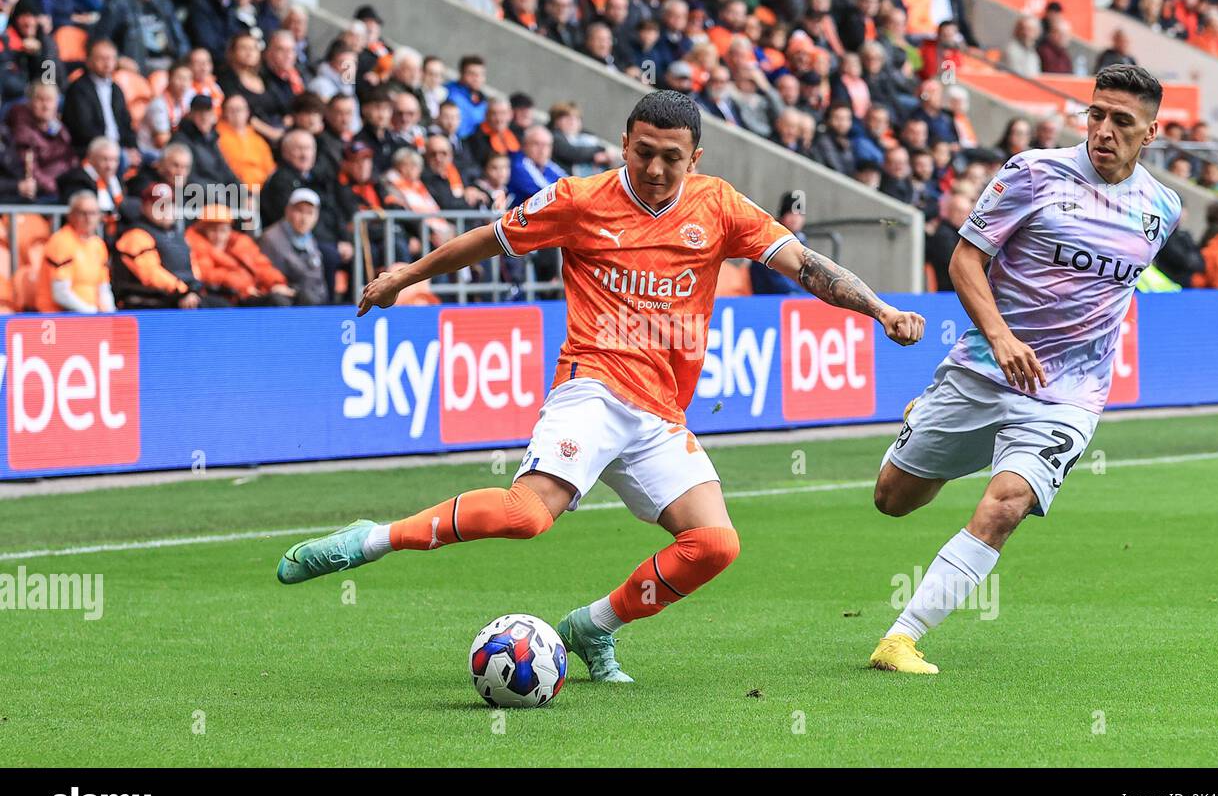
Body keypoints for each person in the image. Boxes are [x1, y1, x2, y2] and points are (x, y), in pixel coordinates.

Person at [276, 91, 927, 685]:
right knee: (526, 516)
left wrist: (881, 310)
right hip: (592, 386)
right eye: (643, 152)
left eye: (672, 158)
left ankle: (591, 627)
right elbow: (489, 239)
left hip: (660, 411)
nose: (655, 169)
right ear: (623, 143)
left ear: (694, 158)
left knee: (715, 545)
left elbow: (807, 266)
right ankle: (371, 537)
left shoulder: (719, 205)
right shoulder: (579, 200)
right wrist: (402, 275)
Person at [868, 65, 1183, 674]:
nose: (1104, 130)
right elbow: (965, 260)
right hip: (984, 367)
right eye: (1097, 114)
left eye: (1123, 121)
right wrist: (1002, 337)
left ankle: (900, 639)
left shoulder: (1160, 209)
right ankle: (942, 432)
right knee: (894, 499)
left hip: (1070, 392)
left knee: (1006, 505)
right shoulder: (1033, 172)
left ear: (1150, 132)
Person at [35, 191, 114, 313]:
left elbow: (104, 287)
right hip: (60, 316)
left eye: (93, 213)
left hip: (91, 315)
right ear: (71, 215)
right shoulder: (61, 241)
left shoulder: (98, 245)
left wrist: (110, 314)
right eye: (83, 213)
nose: (88, 219)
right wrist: (92, 313)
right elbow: (60, 294)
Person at [260, 187, 327, 305]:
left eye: (310, 213)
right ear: (288, 211)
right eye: (300, 211)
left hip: (309, 295)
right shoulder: (270, 238)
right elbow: (267, 275)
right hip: (285, 297)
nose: (304, 219)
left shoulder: (310, 238)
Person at [750, 191, 809, 294]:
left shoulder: (801, 239)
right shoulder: (770, 234)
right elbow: (775, 279)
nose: (795, 218)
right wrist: (799, 294)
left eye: (799, 214)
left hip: (790, 295)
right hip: (767, 296)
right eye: (790, 213)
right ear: (783, 214)